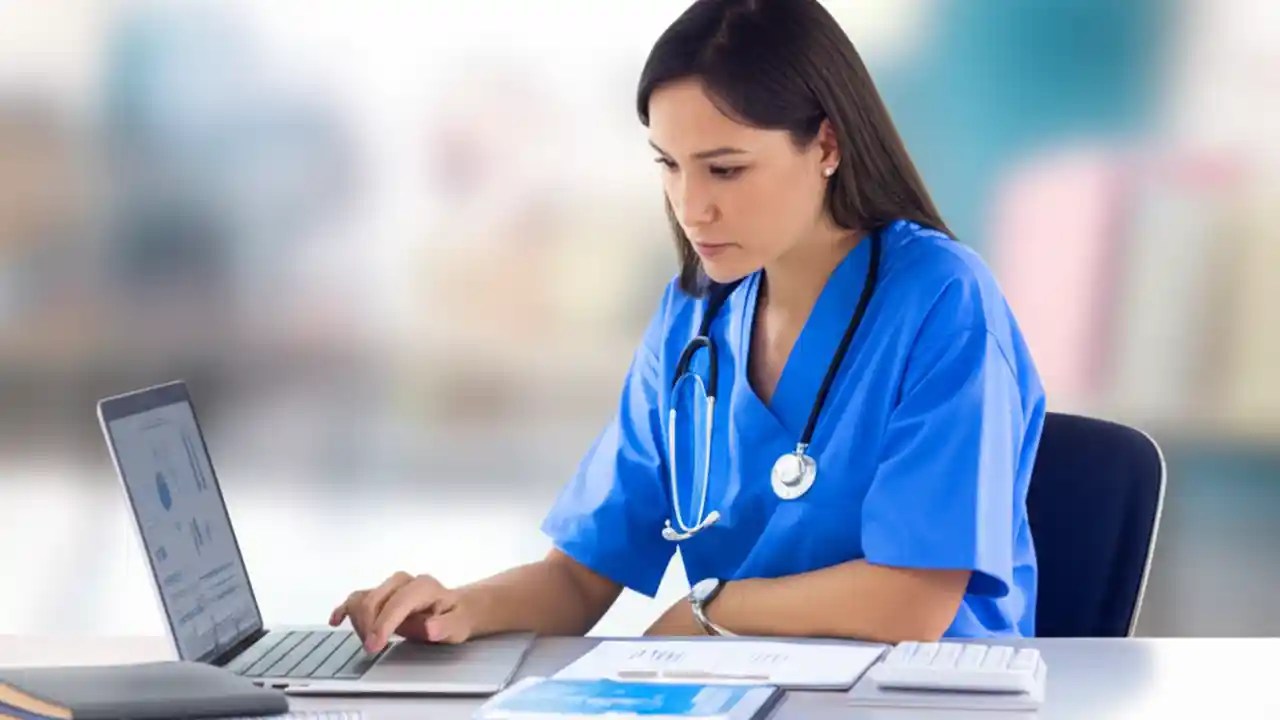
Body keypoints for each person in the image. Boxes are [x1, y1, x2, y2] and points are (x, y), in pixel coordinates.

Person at [330, 0, 1045, 650]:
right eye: (669, 165)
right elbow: (581, 578)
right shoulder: (694, 319)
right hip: (744, 687)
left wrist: (713, 609)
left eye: (725, 170)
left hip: (924, 692)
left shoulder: (942, 301)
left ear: (827, 145)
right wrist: (460, 607)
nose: (690, 206)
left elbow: (913, 601)